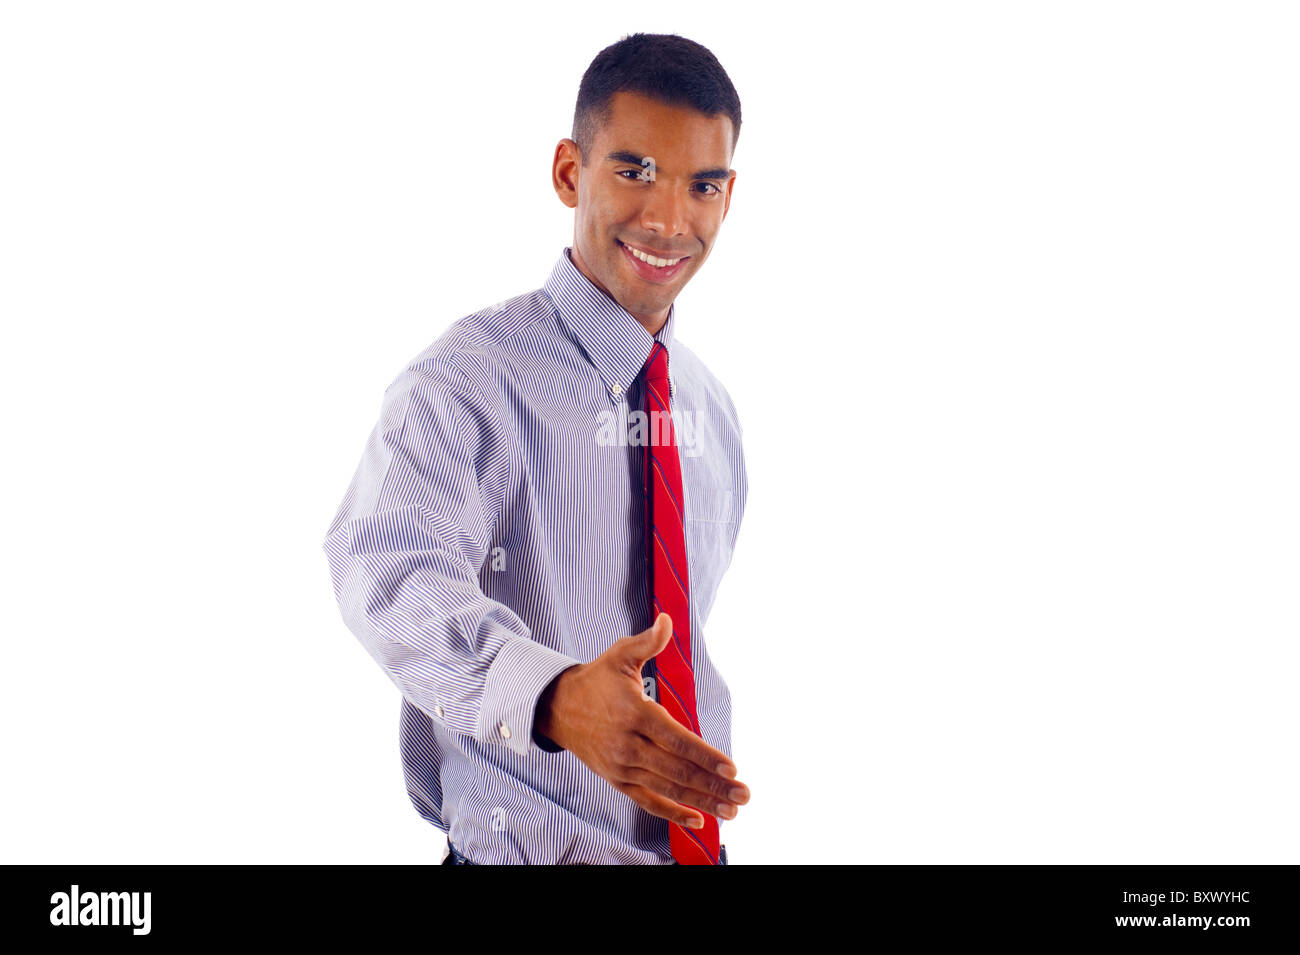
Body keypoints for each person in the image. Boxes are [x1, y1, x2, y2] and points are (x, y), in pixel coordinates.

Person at [321, 32, 750, 865]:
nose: (668, 218)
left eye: (701, 185)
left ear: (727, 198)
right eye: (634, 171)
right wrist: (554, 697)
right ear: (568, 173)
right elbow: (386, 566)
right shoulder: (467, 379)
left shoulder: (711, 413)